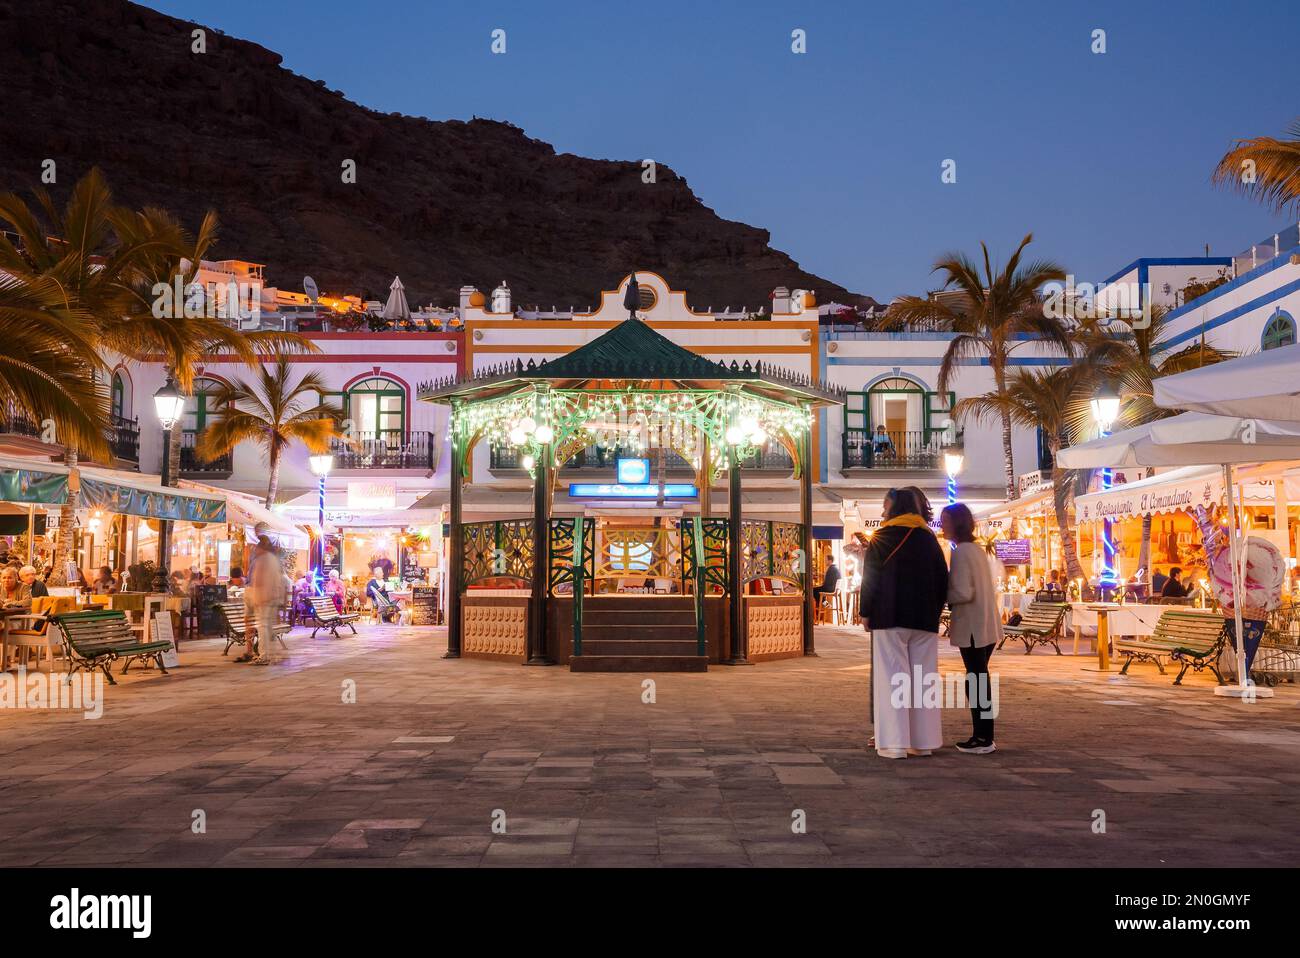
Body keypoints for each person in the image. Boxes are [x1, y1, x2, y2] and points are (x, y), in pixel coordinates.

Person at [859, 488, 949, 759]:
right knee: (923, 679)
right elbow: (942, 579)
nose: (883, 511)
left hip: (890, 617)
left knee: (892, 678)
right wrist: (934, 610)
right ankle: (923, 742)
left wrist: (865, 613)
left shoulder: (882, 538)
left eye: (886, 506)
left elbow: (870, 579)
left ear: (895, 508)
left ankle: (894, 744)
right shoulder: (928, 538)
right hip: (924, 620)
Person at [941, 503, 1000, 754]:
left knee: (975, 680)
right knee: (979, 677)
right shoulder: (976, 549)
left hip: (973, 625)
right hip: (986, 623)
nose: (942, 526)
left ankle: (982, 737)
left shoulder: (961, 552)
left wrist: (944, 593)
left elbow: (963, 591)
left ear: (957, 524)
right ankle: (984, 735)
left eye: (945, 521)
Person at [240, 535, 286, 666]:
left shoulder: (262, 560)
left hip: (264, 597)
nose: (255, 551)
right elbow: (279, 579)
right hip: (273, 597)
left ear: (260, 548)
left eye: (256, 549)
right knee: (268, 627)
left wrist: (257, 597)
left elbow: (258, 580)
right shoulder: (273, 559)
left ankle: (264, 656)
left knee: (263, 626)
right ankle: (271, 655)